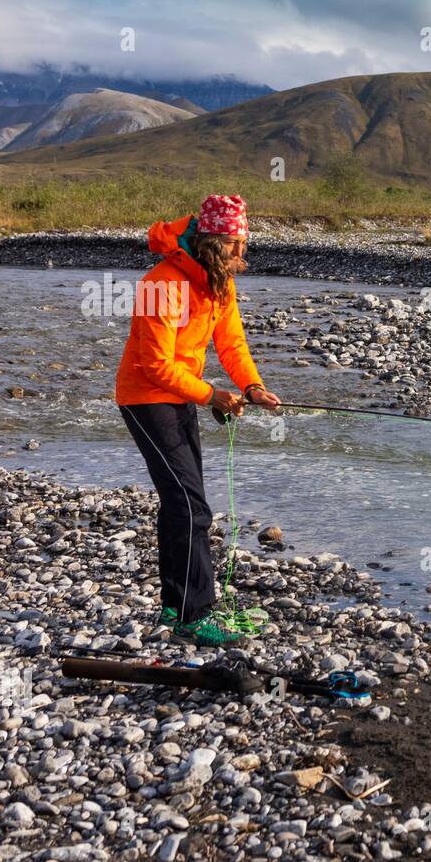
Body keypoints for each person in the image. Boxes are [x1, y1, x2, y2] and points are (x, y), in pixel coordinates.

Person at [115, 194, 280, 647]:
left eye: (242, 243)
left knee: (181, 503)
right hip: (146, 398)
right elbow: (153, 367)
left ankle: (175, 605)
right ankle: (194, 613)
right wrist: (215, 395)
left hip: (181, 393)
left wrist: (251, 387)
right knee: (192, 507)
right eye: (235, 244)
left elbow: (232, 345)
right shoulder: (160, 284)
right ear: (211, 241)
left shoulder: (219, 284)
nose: (241, 254)